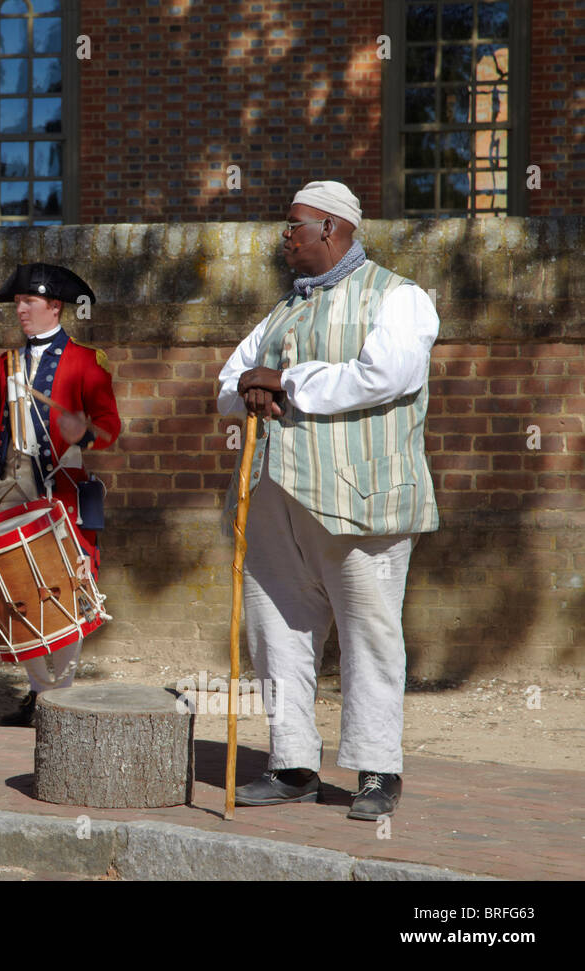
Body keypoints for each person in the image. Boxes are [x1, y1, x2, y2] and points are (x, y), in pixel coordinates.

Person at [217, 181, 440, 820]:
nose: (284, 238)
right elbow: (229, 381)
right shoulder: (283, 310)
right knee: (276, 628)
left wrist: (284, 381)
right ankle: (292, 765)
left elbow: (387, 375)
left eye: (294, 227)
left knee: (369, 629)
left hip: (360, 493)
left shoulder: (398, 297)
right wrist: (254, 389)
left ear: (333, 229)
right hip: (273, 493)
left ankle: (376, 770)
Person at [0, 263, 121, 726]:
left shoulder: (86, 361)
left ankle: (65, 692)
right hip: (11, 483)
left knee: (64, 585)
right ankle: (38, 691)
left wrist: (85, 432)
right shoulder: (6, 363)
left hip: (62, 485)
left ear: (54, 307)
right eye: (17, 303)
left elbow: (110, 428)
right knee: (14, 585)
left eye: (28, 302)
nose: (20, 311)